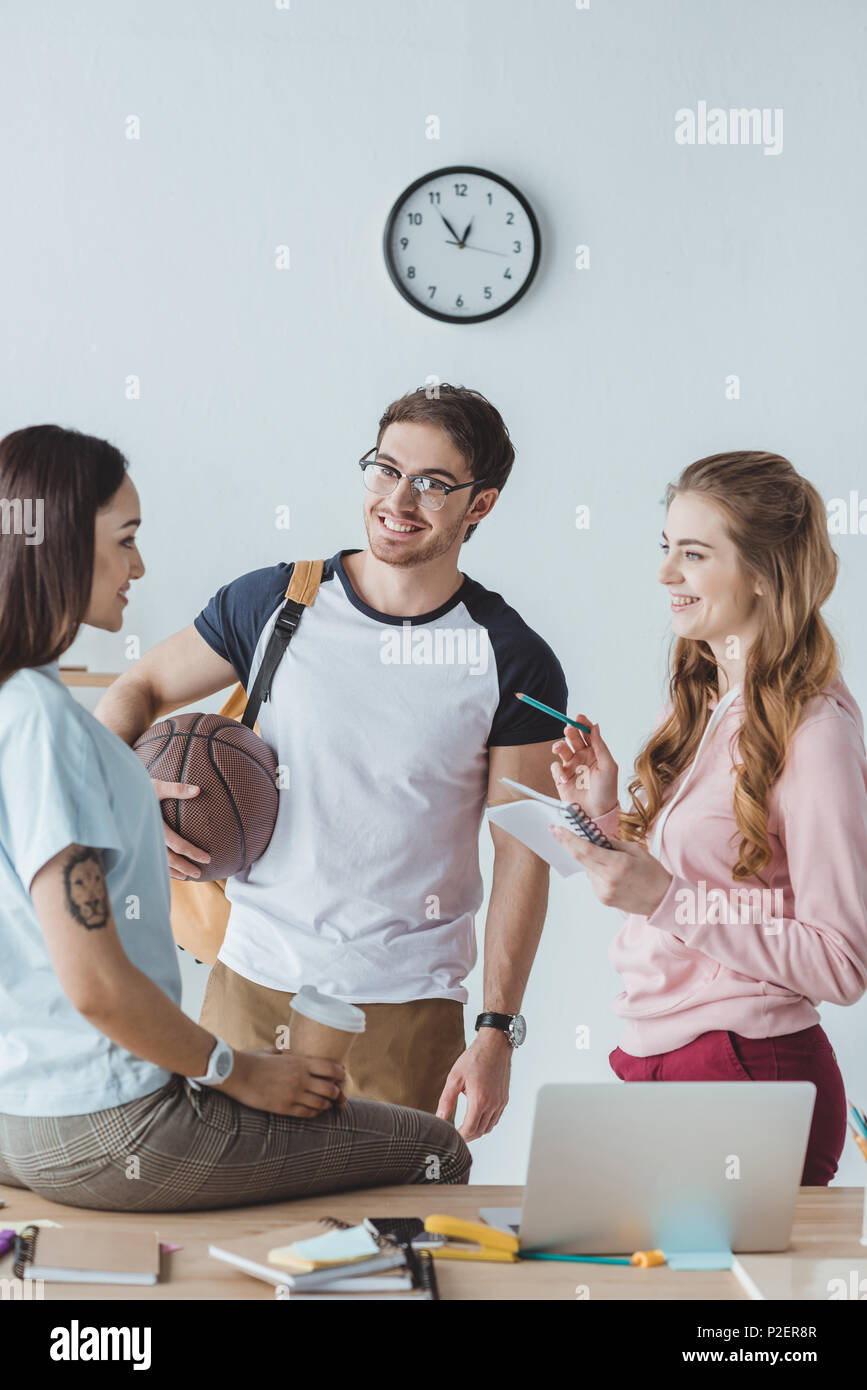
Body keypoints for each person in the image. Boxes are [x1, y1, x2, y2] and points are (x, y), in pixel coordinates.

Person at [0, 425, 470, 1211]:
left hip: (21, 1111)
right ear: (63, 547)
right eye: (125, 540)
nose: (139, 567)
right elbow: (95, 987)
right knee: (435, 1150)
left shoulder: (14, 704)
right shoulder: (49, 722)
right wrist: (232, 1068)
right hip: (110, 1122)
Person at [95, 385, 568, 1139]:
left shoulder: (510, 656)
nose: (399, 499)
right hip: (250, 982)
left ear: (480, 505)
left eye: (433, 484)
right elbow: (139, 685)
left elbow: (521, 854)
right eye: (385, 469)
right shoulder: (279, 602)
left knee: (391, 1237)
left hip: (407, 1007)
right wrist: (123, 796)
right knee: (235, 1235)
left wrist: (495, 1030)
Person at [549, 451, 867, 1185]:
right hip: (658, 1055)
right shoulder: (702, 702)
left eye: (692, 554)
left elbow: (842, 963)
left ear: (764, 572)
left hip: (747, 1068)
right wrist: (604, 813)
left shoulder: (814, 733)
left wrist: (664, 899)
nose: (665, 574)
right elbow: (698, 877)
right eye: (665, 549)